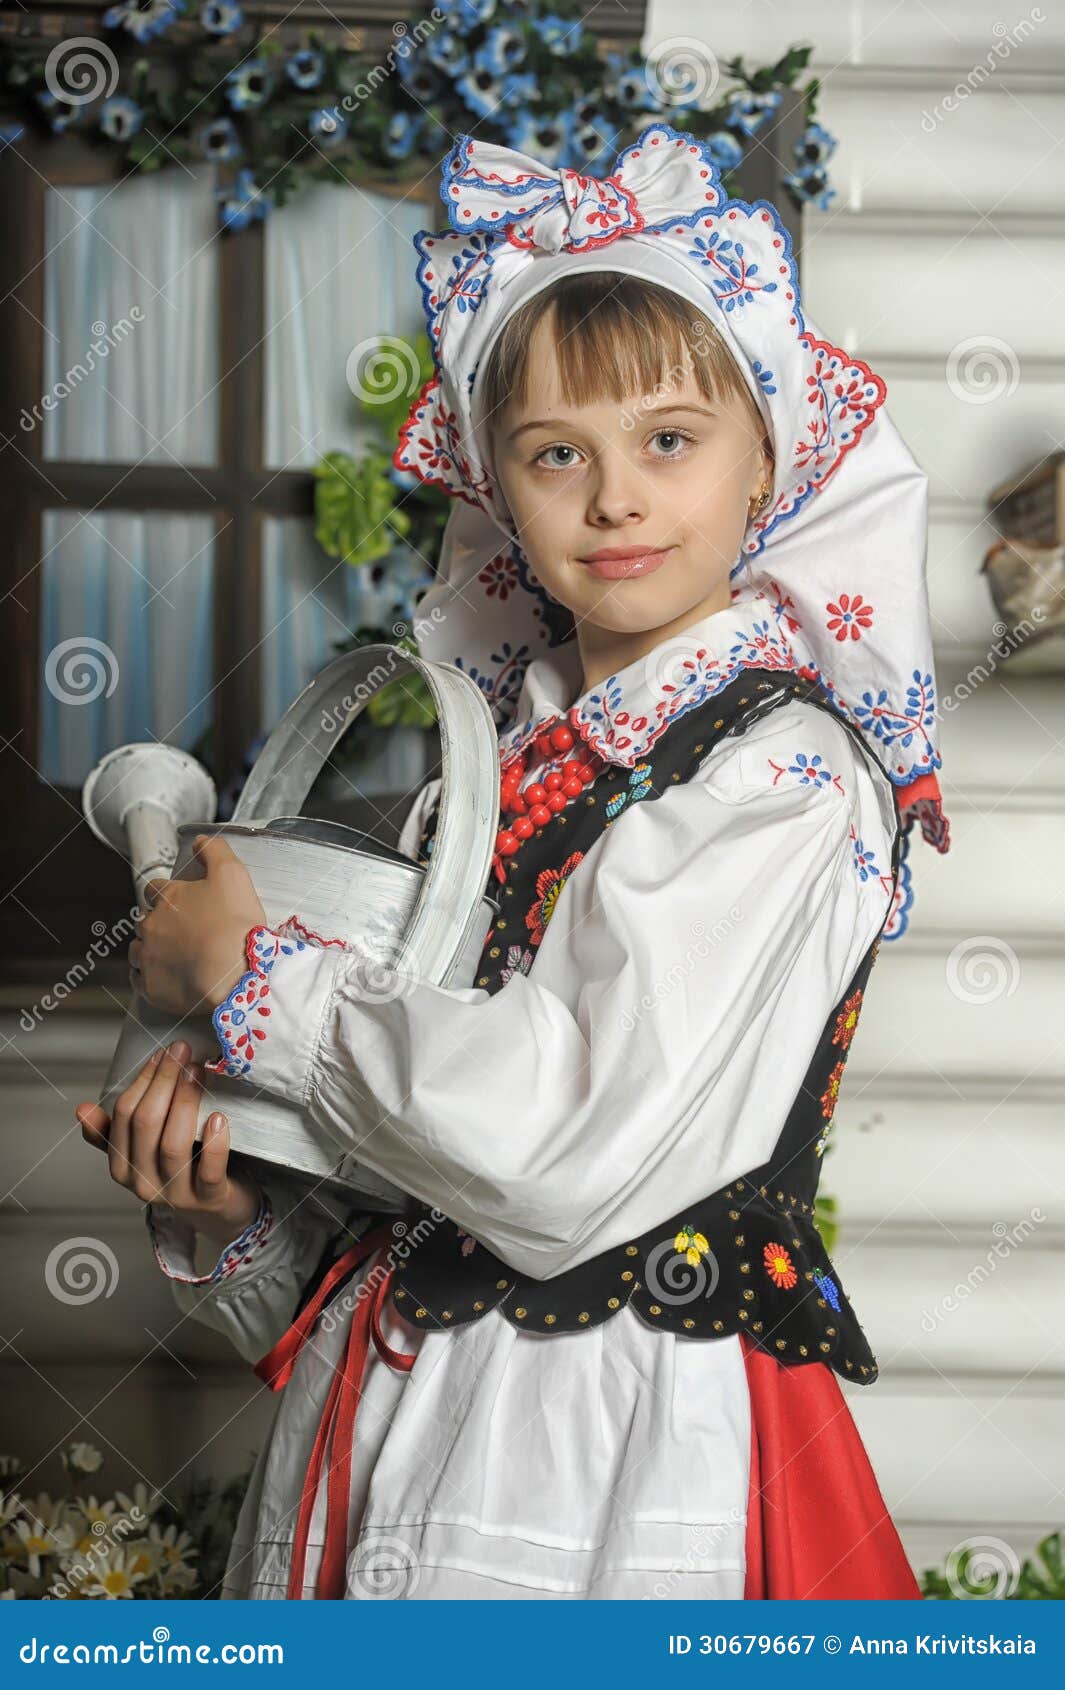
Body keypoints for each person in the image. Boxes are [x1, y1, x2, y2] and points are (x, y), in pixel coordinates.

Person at [76, 121, 950, 1601]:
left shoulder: (778, 775)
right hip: (380, 1423)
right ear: (497, 488)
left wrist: (255, 978)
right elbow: (401, 1202)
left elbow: (555, 1156)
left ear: (767, 467)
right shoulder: (478, 792)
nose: (613, 498)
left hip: (606, 1446)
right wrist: (233, 1213)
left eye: (668, 440)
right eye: (557, 453)